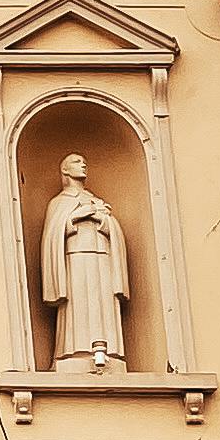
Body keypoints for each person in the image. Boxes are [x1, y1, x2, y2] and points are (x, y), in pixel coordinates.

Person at [40, 151, 129, 365]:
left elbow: (114, 231)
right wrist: (76, 216)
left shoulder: (97, 202)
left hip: (102, 259)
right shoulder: (59, 202)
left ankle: (108, 351)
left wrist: (101, 218)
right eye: (76, 162)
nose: (83, 165)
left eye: (84, 162)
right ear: (65, 170)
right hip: (75, 259)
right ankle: (73, 351)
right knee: (78, 303)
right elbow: (52, 235)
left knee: (102, 303)